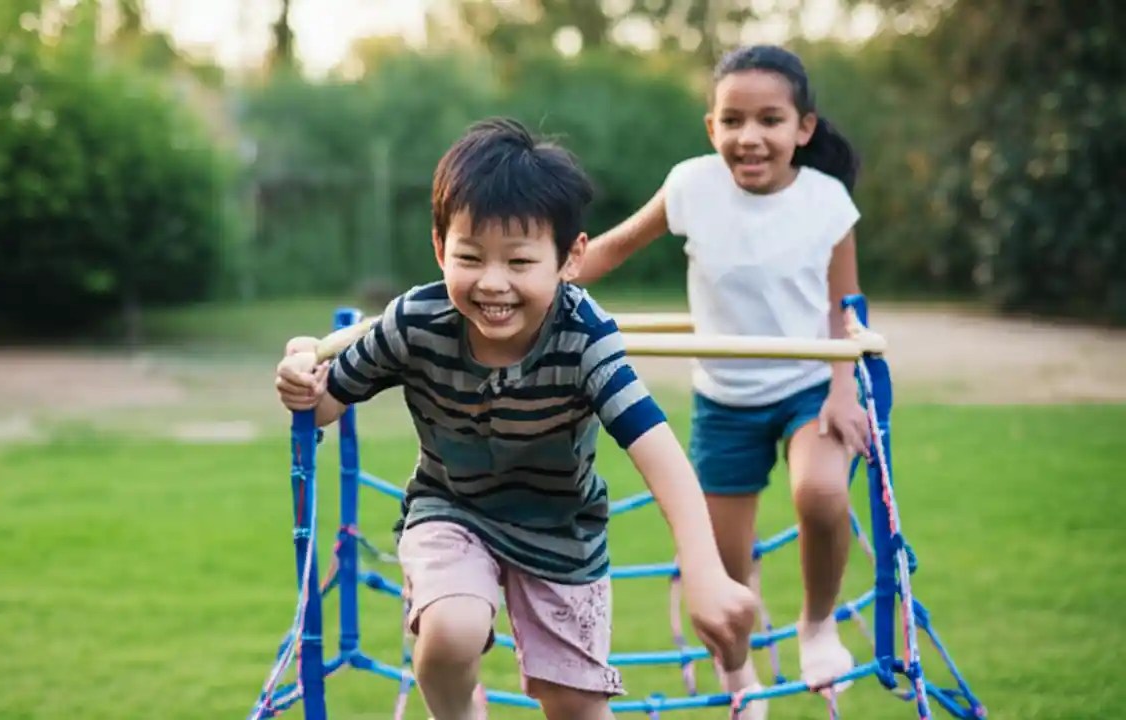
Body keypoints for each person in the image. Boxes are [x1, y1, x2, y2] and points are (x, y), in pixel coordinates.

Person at [275, 117, 757, 720]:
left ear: (570, 258)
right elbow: (324, 404)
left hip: (562, 531)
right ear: (438, 248)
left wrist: (705, 573)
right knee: (448, 631)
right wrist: (302, 383)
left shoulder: (585, 338)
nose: (492, 283)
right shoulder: (414, 322)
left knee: (576, 707)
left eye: (520, 261)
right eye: (470, 257)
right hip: (449, 508)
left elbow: (658, 451)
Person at [572, 45, 870, 718]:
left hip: (806, 388)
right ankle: (741, 686)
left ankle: (817, 625)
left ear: (804, 128)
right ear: (712, 129)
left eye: (770, 119)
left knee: (821, 493)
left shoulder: (828, 202)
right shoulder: (690, 186)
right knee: (723, 581)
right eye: (733, 120)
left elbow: (844, 309)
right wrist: (534, 271)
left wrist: (843, 390)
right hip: (725, 403)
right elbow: (609, 250)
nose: (751, 137)